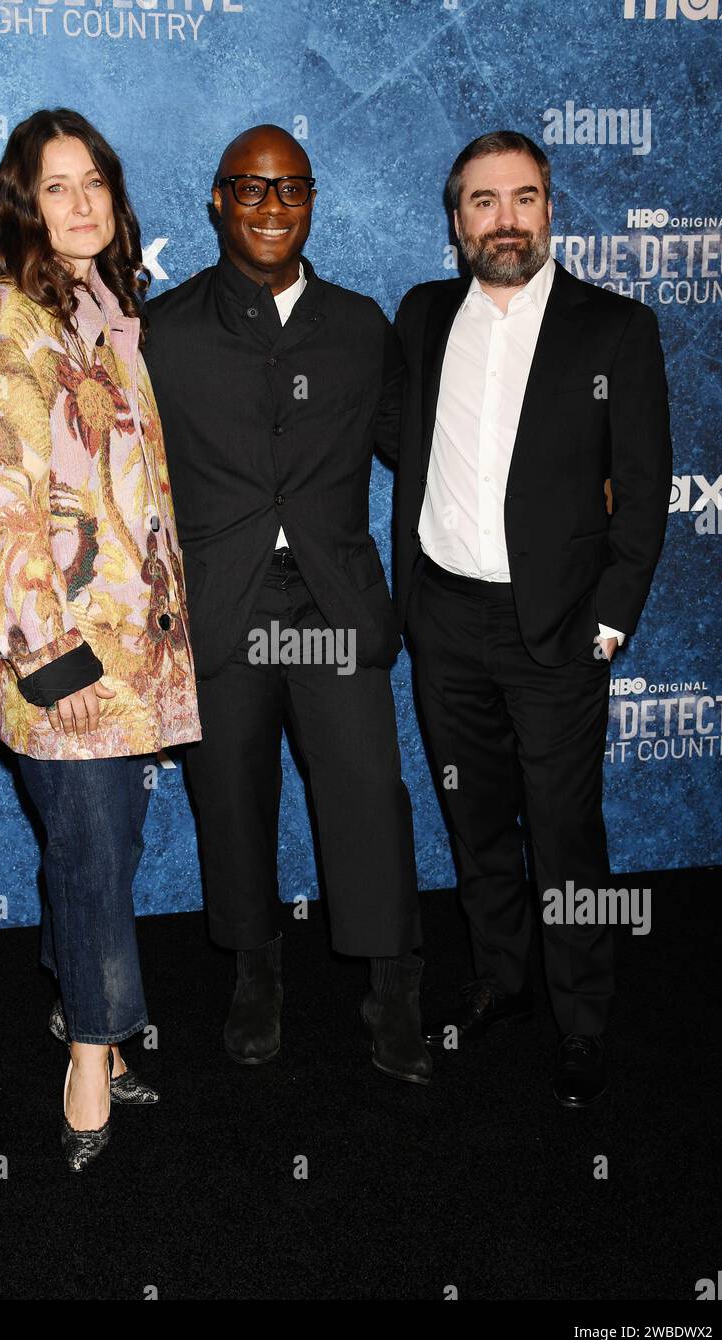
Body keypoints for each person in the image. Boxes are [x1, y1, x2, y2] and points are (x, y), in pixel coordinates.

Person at [142, 125, 430, 1084]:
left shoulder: (359, 326)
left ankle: (395, 992)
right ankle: (255, 976)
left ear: (313, 202)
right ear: (217, 202)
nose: (272, 208)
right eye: (251, 191)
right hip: (220, 606)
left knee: (369, 800)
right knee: (230, 801)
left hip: (330, 603)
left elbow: (424, 451)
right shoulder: (161, 331)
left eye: (291, 190)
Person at [394, 130, 672, 1106]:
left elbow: (642, 493)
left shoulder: (614, 329)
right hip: (444, 621)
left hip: (555, 631)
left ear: (549, 208)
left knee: (563, 831)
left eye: (522, 198)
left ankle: (582, 1017)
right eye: (481, 202)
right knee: (476, 822)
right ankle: (501, 980)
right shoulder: (422, 316)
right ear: (456, 220)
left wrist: (608, 623)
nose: (502, 220)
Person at [0, 109, 201, 1170]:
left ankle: (72, 1005)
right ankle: (94, 1055)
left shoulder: (102, 307)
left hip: (130, 658)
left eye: (94, 179)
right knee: (94, 854)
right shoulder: (12, 317)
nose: (83, 201)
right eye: (57, 186)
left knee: (101, 847)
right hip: (70, 664)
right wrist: (45, 658)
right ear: (23, 204)